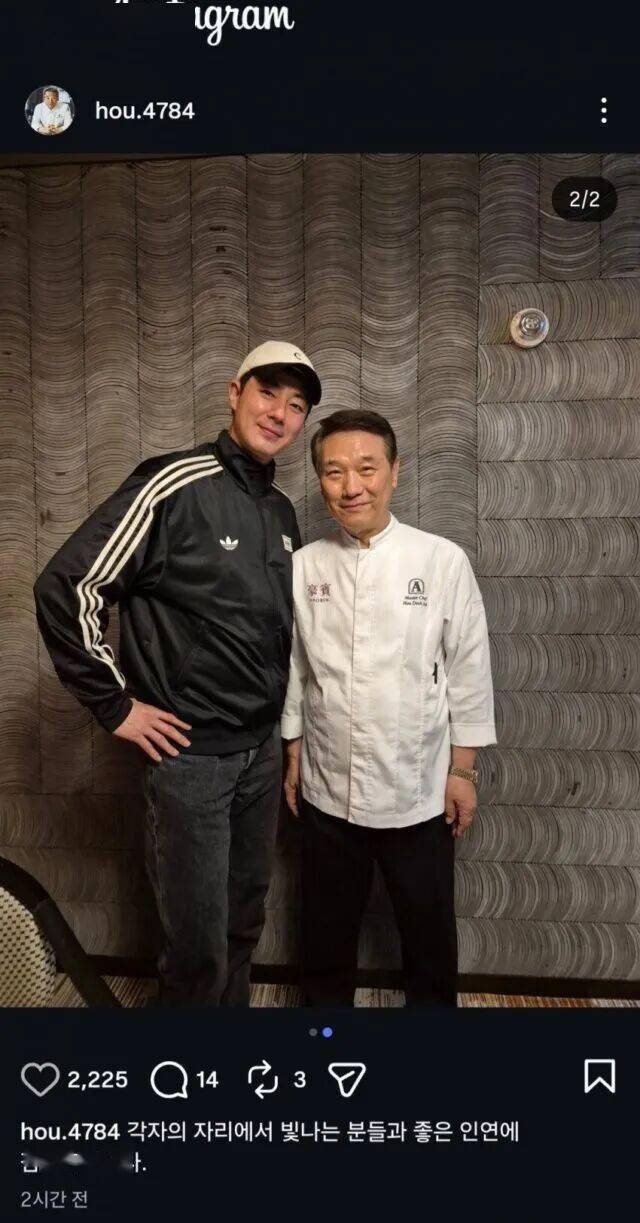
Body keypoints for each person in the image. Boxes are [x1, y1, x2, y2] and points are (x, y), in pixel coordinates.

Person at [33, 341, 322, 1007]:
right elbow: (69, 587)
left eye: (295, 404)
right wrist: (117, 706)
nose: (279, 413)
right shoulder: (173, 483)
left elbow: (284, 632)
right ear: (235, 393)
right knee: (195, 946)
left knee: (242, 922)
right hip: (191, 757)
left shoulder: (280, 510)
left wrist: (286, 737)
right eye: (267, 392)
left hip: (259, 754)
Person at [281, 408, 496, 1007]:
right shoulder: (304, 566)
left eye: (367, 468)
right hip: (328, 787)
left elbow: (469, 670)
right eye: (334, 472)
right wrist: (293, 749)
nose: (351, 486)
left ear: (395, 472)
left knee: (429, 941)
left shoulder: (441, 560)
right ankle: (324, 1040)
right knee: (324, 940)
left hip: (418, 788)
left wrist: (463, 771)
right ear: (321, 481)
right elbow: (296, 666)